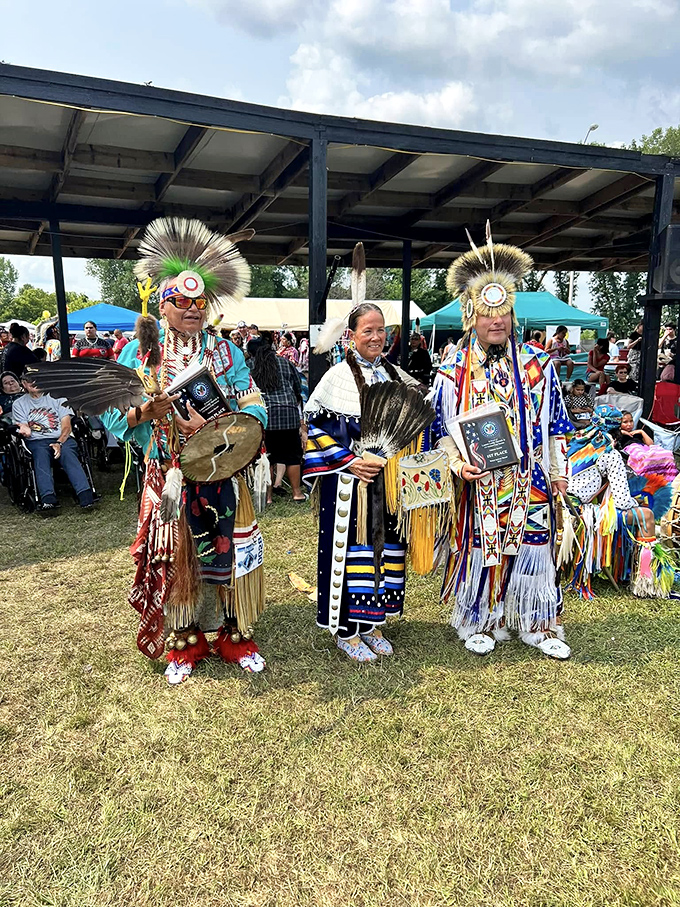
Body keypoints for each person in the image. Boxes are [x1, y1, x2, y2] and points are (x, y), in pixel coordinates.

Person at [100, 217, 268, 684]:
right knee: (176, 560)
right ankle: (185, 642)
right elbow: (114, 418)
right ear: (163, 305)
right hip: (168, 477)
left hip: (223, 471)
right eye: (182, 302)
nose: (192, 309)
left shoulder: (227, 352)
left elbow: (257, 405)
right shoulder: (139, 354)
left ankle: (234, 635)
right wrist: (149, 413)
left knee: (231, 556)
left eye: (200, 302)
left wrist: (221, 423)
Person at [431, 234, 572, 660]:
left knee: (534, 546)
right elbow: (439, 429)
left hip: (530, 478)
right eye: (489, 315)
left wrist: (559, 470)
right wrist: (456, 465)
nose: (498, 322)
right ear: (471, 316)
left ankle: (535, 620)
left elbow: (555, 424)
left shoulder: (538, 364)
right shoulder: (453, 369)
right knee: (482, 548)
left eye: (505, 314)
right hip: (480, 483)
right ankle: (482, 619)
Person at [304, 302, 421, 663]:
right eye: (367, 330)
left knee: (384, 552)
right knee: (352, 554)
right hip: (348, 487)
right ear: (350, 336)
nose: (376, 336)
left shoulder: (394, 375)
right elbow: (314, 430)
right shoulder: (336, 376)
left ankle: (371, 623)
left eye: (381, 329)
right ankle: (346, 630)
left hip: (388, 485)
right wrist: (350, 461)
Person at [565, 405, 669, 598]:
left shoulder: (575, 442)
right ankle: (646, 582)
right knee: (646, 515)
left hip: (561, 509)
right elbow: (621, 501)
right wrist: (636, 502)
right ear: (617, 430)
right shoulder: (610, 454)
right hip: (580, 515)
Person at [12, 374, 95, 514]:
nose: (34, 383)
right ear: (24, 384)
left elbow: (67, 426)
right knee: (40, 454)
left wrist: (59, 442)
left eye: (37, 379)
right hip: (36, 441)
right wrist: (24, 430)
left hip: (62, 437)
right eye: (29, 380)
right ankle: (47, 498)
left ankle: (85, 494)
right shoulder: (19, 404)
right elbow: (24, 428)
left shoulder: (58, 397)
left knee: (68, 453)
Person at [249, 334, 307, 504]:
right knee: (292, 456)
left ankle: (267, 498)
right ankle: (297, 493)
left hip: (264, 415)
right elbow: (298, 388)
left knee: (266, 457)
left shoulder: (251, 366)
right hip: (288, 413)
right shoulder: (285, 362)